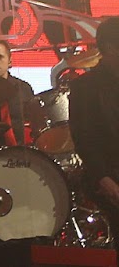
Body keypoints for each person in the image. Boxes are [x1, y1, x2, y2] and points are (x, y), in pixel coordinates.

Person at [69, 16, 119, 213]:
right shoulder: (85, 87)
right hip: (110, 178)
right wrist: (105, 180)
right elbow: (84, 139)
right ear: (110, 48)